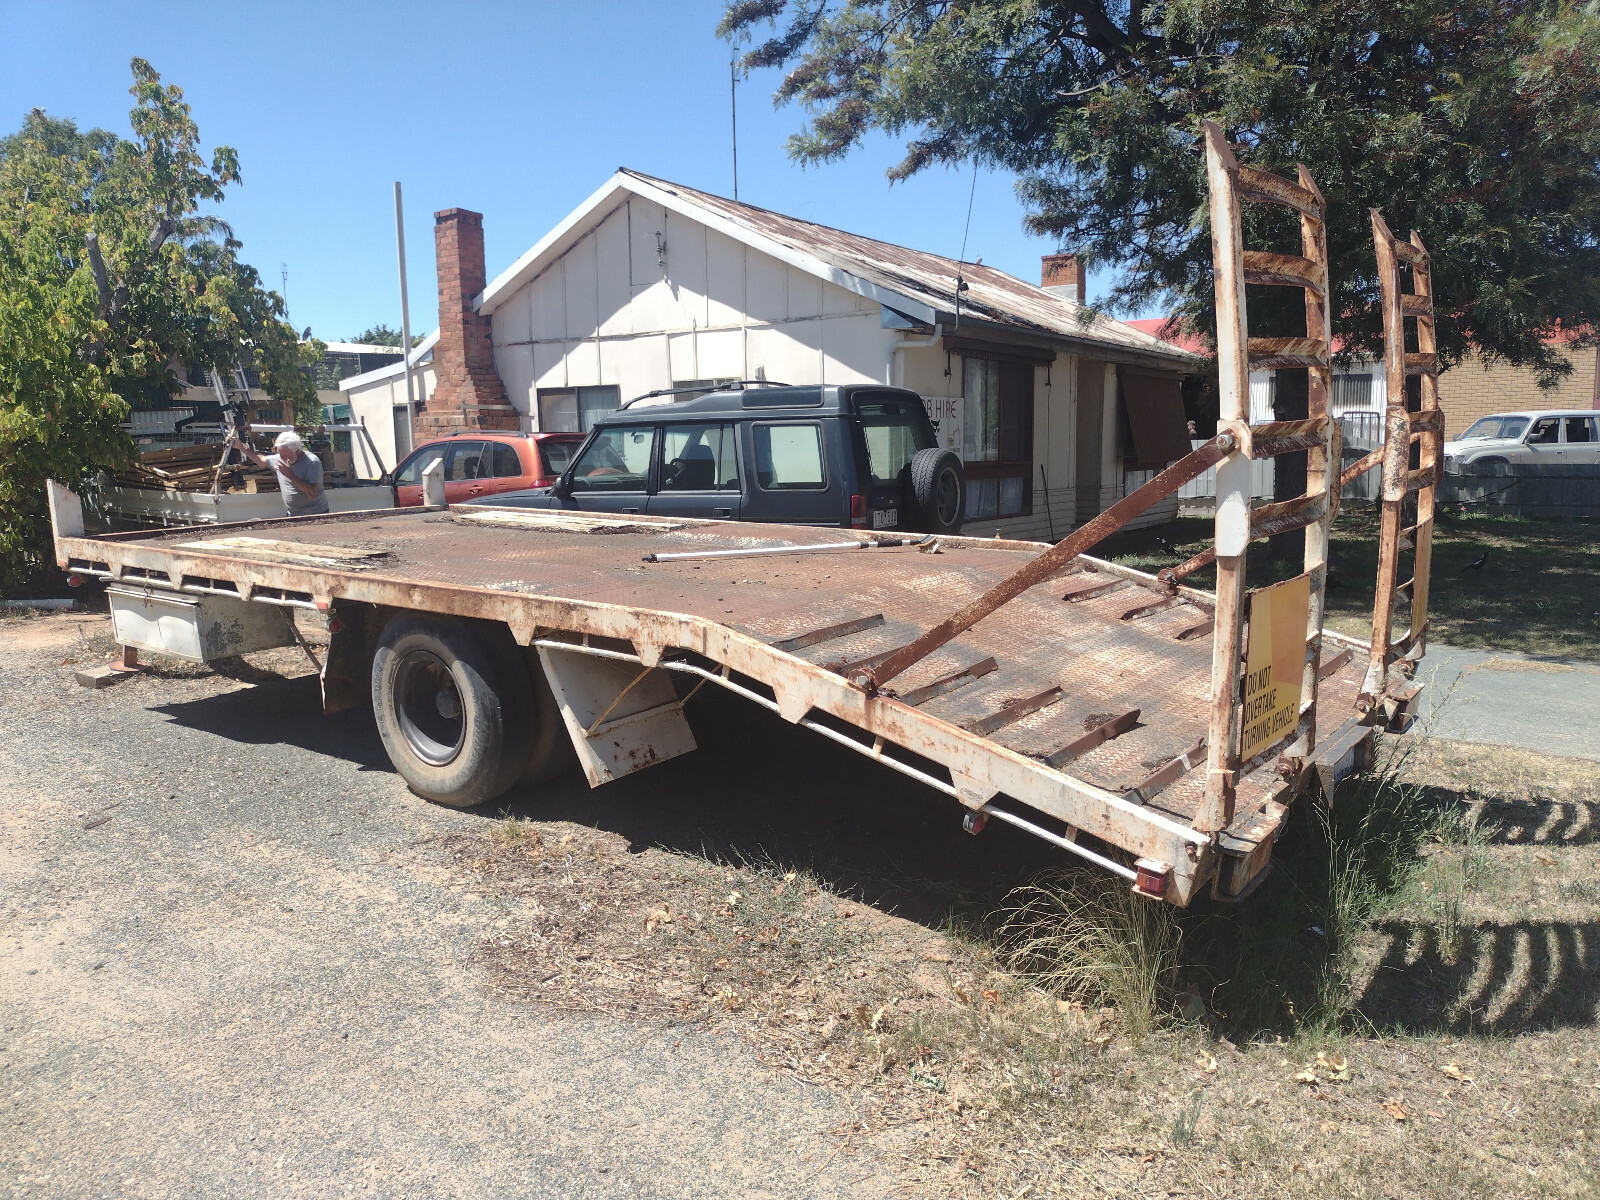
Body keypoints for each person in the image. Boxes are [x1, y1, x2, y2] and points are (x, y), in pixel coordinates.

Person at [231, 430, 330, 517]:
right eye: (279, 453)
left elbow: (313, 493)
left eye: (285, 454)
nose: (281, 457)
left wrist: (289, 475)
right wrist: (241, 446)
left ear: (297, 451)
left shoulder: (312, 462)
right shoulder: (280, 458)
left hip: (316, 514)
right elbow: (260, 460)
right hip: (292, 514)